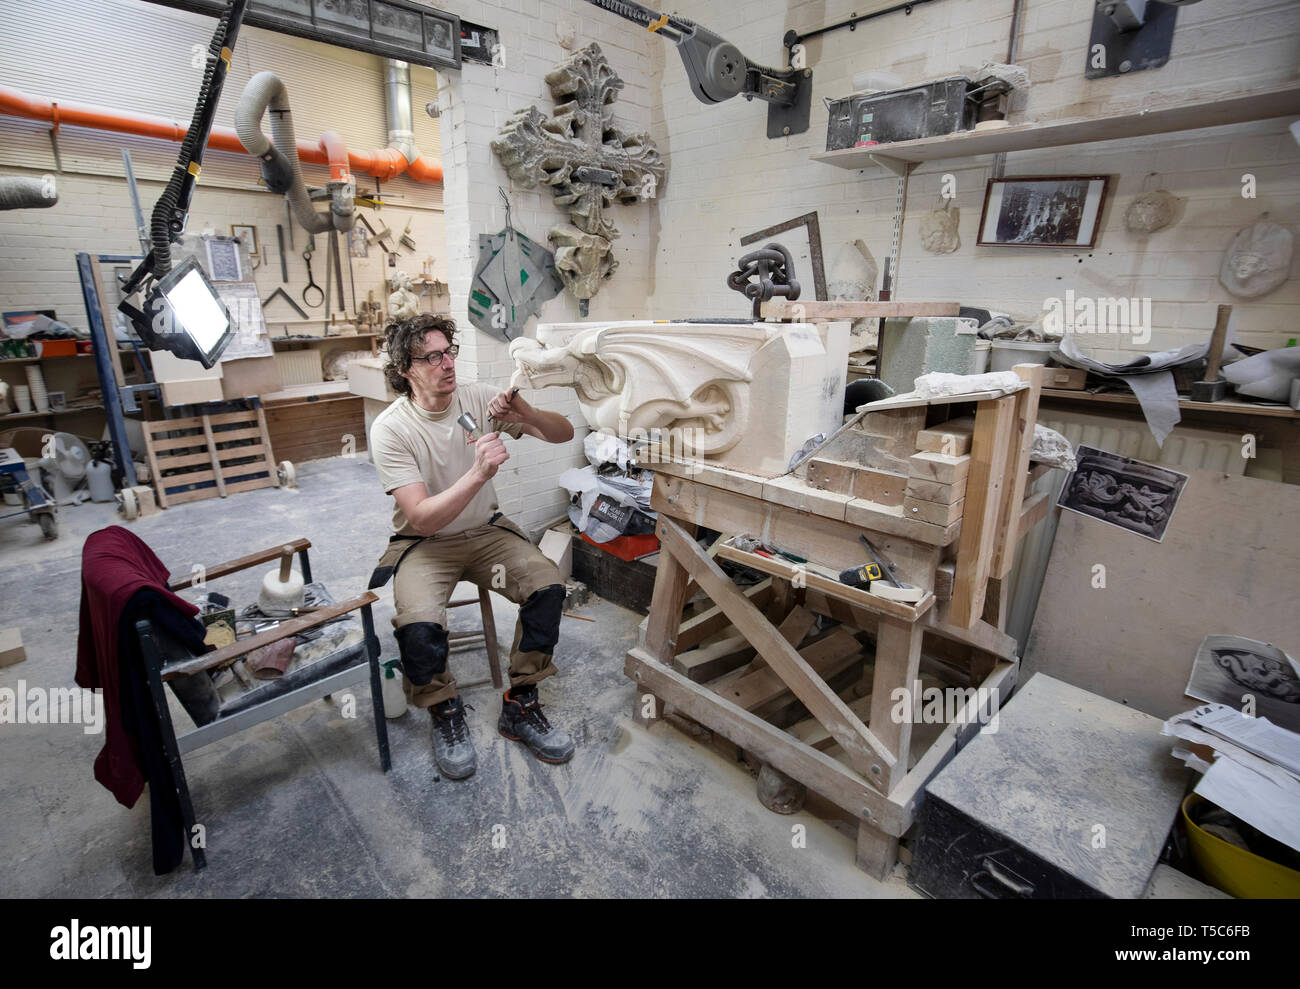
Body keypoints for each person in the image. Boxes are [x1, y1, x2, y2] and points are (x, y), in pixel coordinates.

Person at [368, 313, 576, 779]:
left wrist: (529, 416)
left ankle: (520, 703)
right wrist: (478, 473)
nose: (447, 364)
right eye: (433, 357)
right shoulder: (391, 429)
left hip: (485, 533)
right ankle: (443, 710)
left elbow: (563, 433)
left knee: (547, 586)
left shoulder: (479, 398)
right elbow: (421, 517)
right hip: (426, 544)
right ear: (406, 367)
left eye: (450, 352)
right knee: (418, 627)